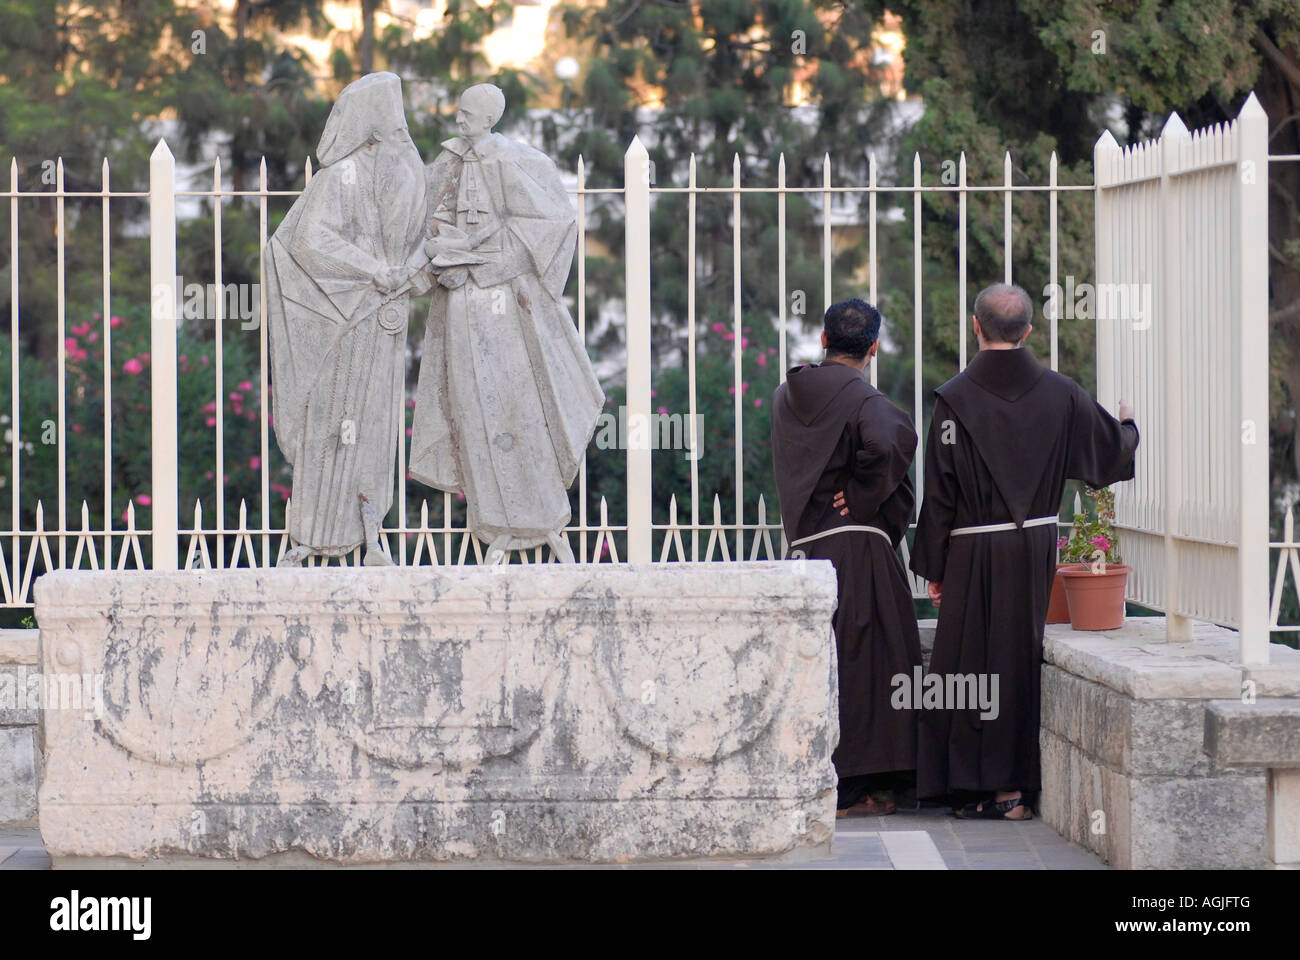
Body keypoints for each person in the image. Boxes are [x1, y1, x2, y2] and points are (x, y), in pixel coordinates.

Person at [909, 282, 1139, 819]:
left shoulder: (952, 400)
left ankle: (969, 785)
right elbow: (1108, 456)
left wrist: (935, 569)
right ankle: (1012, 791)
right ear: (1029, 331)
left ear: (975, 326)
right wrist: (1128, 426)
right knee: (1015, 659)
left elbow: (939, 496)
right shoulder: (1061, 393)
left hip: (968, 550)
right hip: (1033, 543)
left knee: (965, 662)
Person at [408, 83, 604, 564]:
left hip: (506, 307)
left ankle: (542, 517)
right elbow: (422, 222)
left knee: (520, 407)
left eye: (468, 113)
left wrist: (489, 261)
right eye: (458, 112)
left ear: (490, 116)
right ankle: (495, 519)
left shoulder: (518, 159)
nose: (459, 120)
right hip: (461, 307)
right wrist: (440, 251)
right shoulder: (448, 162)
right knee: (471, 406)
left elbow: (552, 222)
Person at [266, 72, 430, 567]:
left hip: (383, 322)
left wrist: (416, 267)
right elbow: (308, 241)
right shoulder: (342, 176)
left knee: (376, 426)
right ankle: (316, 536)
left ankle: (370, 527)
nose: (400, 127)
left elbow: (425, 235)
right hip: (342, 319)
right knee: (336, 423)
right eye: (391, 114)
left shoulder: (406, 170)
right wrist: (374, 270)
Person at [771, 299, 922, 816]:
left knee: (824, 662)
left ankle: (823, 776)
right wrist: (861, 496)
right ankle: (855, 789)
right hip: (857, 550)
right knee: (868, 663)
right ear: (874, 349)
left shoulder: (785, 395)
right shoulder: (864, 398)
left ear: (823, 340)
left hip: (805, 554)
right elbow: (891, 437)